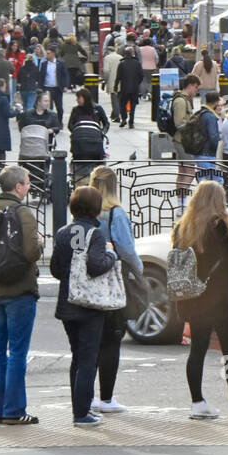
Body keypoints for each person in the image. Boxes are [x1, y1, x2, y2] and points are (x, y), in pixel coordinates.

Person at [172, 181, 228, 419]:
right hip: (220, 300)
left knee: (197, 350)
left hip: (194, 298)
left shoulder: (183, 227)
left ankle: (197, 402)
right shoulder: (220, 225)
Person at [0, 166, 45, 424]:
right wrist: (42, 242)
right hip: (19, 291)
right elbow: (31, 253)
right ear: (18, 187)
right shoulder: (24, 213)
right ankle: (14, 411)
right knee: (17, 352)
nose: (28, 187)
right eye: (26, 183)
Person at [50, 186, 118, 427]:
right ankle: (82, 413)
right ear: (95, 208)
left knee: (77, 357)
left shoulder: (62, 233)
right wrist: (111, 255)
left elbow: (56, 269)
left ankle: (79, 407)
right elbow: (96, 265)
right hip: (90, 305)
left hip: (68, 302)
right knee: (89, 358)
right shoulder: (96, 235)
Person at [90, 166, 141, 411]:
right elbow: (127, 250)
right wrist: (139, 270)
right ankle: (107, 398)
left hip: (89, 282)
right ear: (114, 186)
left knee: (90, 342)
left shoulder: (86, 212)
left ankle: (86, 396)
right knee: (111, 341)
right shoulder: (115, 214)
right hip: (112, 282)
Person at [16, 92, 60, 189]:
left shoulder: (52, 115)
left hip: (45, 146)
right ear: (39, 102)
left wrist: (51, 130)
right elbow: (21, 128)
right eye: (45, 101)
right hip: (29, 146)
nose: (48, 103)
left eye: (48, 101)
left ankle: (42, 183)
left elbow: (57, 128)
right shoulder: (27, 115)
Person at [68, 87, 111, 186]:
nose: (77, 100)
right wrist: (77, 132)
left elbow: (106, 123)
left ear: (84, 98)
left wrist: (102, 132)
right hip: (80, 142)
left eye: (79, 98)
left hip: (94, 140)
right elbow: (70, 125)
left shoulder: (97, 109)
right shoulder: (75, 110)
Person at [113, 46, 144, 128]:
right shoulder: (137, 63)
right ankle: (131, 122)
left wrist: (115, 87)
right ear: (132, 54)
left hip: (124, 88)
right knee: (133, 105)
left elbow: (118, 77)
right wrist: (137, 83)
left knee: (122, 104)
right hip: (134, 88)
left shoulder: (121, 64)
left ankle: (124, 119)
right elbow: (141, 75)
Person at [41, 47, 69, 119]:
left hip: (57, 88)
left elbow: (65, 74)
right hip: (47, 88)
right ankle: (49, 122)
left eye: (48, 53)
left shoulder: (60, 63)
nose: (47, 55)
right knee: (49, 107)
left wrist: (65, 85)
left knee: (59, 107)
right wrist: (40, 87)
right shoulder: (44, 64)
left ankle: (59, 122)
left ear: (53, 54)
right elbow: (41, 76)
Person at [18, 45, 45, 113]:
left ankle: (23, 117)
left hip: (23, 88)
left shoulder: (22, 68)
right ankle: (27, 118)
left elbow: (19, 78)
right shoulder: (35, 68)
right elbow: (37, 78)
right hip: (32, 88)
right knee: (30, 105)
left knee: (24, 105)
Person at [101, 41, 123, 114]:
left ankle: (116, 115)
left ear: (108, 51)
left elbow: (106, 71)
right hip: (120, 81)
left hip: (112, 80)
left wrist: (105, 80)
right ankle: (116, 113)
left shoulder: (107, 58)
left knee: (114, 98)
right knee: (119, 98)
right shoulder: (120, 57)